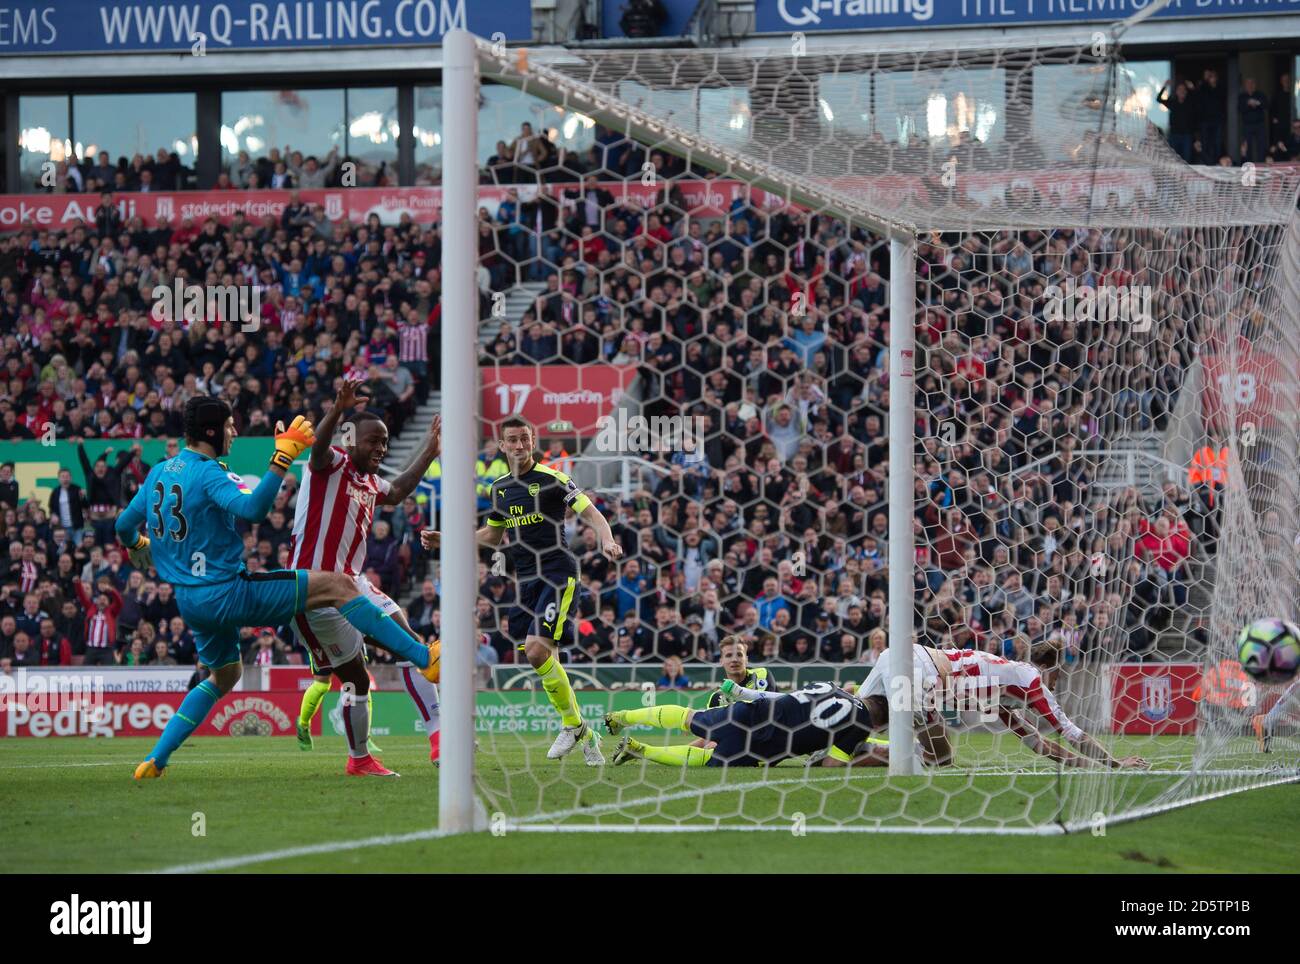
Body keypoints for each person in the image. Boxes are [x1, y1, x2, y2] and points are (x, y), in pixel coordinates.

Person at [116, 396, 440, 780]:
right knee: (338, 585)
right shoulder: (208, 474)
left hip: (190, 603)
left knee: (223, 677)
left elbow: (123, 525)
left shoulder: (158, 474)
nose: (234, 433)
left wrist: (140, 548)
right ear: (211, 432)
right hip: (230, 593)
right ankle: (425, 657)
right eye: (230, 426)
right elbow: (254, 511)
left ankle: (156, 759)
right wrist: (280, 459)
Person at [421, 416, 623, 765]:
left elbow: (590, 512)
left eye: (524, 439)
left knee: (535, 651)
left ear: (533, 441)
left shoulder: (553, 478)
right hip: (526, 580)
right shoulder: (499, 488)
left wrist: (606, 538)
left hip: (558, 573)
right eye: (511, 440)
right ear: (501, 446)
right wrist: (449, 539)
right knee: (545, 659)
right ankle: (582, 732)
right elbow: (493, 535)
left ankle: (572, 726)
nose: (518, 445)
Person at [291, 374, 444, 768]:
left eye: (386, 441)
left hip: (352, 583)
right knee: (357, 679)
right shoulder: (330, 465)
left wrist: (430, 449)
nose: (381, 447)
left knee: (409, 639)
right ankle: (358, 760)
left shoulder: (370, 482)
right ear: (350, 440)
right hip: (313, 591)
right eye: (374, 440)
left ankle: (441, 740)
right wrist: (337, 409)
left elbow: (399, 492)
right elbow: (318, 449)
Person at [603, 681, 886, 768]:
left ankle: (622, 716)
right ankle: (641, 750)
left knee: (691, 718)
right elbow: (831, 766)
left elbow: (793, 699)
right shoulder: (861, 724)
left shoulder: (830, 684)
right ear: (878, 724)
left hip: (757, 712)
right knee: (707, 760)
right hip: (770, 745)